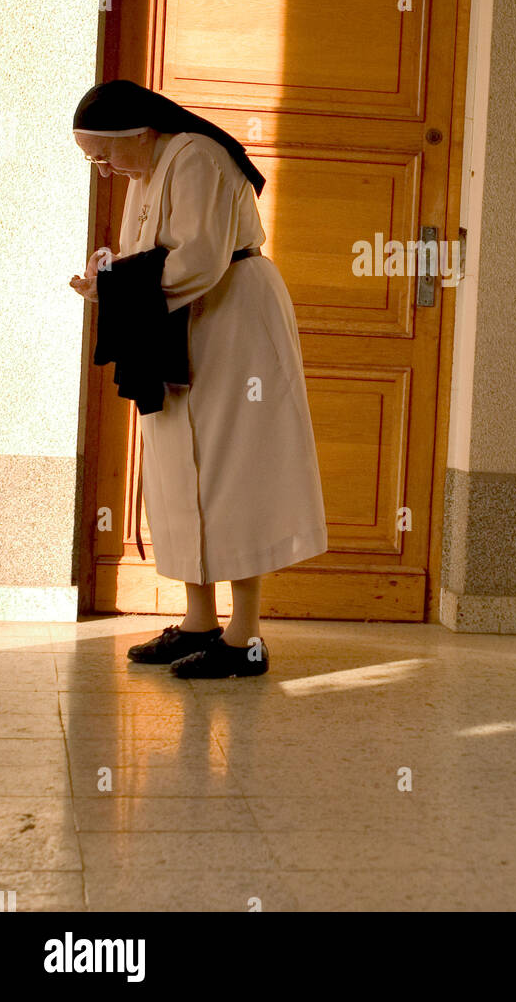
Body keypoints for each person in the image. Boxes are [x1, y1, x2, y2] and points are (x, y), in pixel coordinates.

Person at [70, 80, 329, 678]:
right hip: (178, 322)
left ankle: (245, 638)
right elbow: (148, 256)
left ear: (140, 132)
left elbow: (200, 257)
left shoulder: (195, 156)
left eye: (103, 155)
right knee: (178, 465)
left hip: (232, 316)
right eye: (93, 160)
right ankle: (198, 621)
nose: (103, 170)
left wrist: (113, 289)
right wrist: (105, 273)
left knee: (232, 467)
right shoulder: (147, 170)